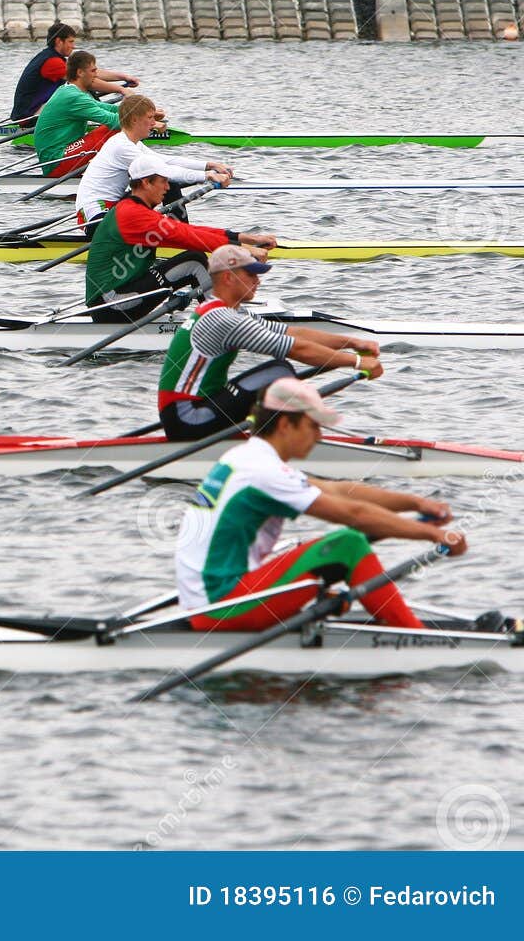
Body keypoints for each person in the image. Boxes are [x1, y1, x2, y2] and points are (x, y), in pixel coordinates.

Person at [175, 377, 466, 632]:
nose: (319, 436)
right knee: (348, 544)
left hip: (211, 599)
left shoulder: (246, 458)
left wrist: (417, 503)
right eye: (313, 426)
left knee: (323, 545)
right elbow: (353, 514)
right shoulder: (264, 471)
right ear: (287, 424)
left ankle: (389, 622)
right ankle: (412, 634)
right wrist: (435, 535)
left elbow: (339, 491)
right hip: (222, 607)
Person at [158, 245, 382, 439]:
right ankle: (280, 440)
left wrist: (353, 342)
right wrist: (356, 363)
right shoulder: (223, 319)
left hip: (190, 411)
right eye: (251, 275)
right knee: (278, 372)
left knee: (278, 372)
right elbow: (296, 348)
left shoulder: (229, 312)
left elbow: (293, 334)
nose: (258, 281)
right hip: (188, 418)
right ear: (228, 277)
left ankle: (275, 436)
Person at [85, 163, 275, 323]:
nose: (168, 188)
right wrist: (242, 249)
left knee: (194, 258)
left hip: (116, 298)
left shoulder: (131, 208)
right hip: (112, 305)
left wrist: (247, 238)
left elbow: (192, 231)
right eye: (163, 181)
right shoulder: (133, 214)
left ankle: (222, 313)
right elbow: (188, 236)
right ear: (146, 183)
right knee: (194, 261)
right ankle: (227, 322)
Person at [73, 95, 233, 227]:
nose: (154, 123)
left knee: (166, 184)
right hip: (96, 216)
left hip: (112, 207)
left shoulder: (132, 143)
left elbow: (167, 161)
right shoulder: (121, 146)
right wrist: (207, 176)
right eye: (149, 118)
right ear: (134, 120)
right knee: (164, 181)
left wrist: (210, 165)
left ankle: (178, 231)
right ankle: (178, 233)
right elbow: (164, 171)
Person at [8, 22, 138, 124]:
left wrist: (123, 77)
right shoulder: (52, 62)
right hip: (29, 116)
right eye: (71, 42)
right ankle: (115, 122)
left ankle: (109, 119)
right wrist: (122, 90)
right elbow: (89, 80)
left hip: (38, 109)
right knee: (81, 95)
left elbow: (91, 73)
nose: (73, 46)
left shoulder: (54, 58)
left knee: (80, 95)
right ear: (59, 41)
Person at [32, 52, 123, 177]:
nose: (96, 75)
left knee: (120, 125)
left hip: (61, 156)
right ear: (80, 72)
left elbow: (107, 108)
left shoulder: (68, 89)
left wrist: (143, 111)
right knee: (112, 129)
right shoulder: (73, 96)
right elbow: (113, 121)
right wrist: (146, 121)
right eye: (93, 71)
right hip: (56, 162)